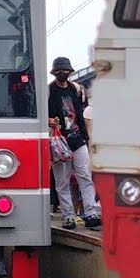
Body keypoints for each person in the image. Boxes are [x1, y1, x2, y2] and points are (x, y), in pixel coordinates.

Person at [48, 56, 101, 229]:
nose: (62, 73)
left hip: (78, 140)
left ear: (70, 72)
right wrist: (50, 121)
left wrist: (88, 139)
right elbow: (42, 116)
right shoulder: (48, 92)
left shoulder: (77, 90)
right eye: (59, 71)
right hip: (59, 142)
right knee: (62, 181)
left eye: (65, 71)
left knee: (84, 177)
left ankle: (91, 213)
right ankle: (68, 216)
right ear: (55, 73)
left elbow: (83, 114)